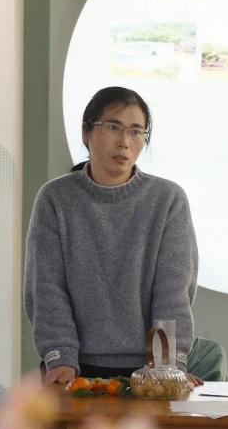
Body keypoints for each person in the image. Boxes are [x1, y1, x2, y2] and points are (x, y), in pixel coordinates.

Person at [25, 85, 198, 386]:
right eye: (113, 127)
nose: (124, 142)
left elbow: (173, 293)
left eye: (136, 132)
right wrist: (61, 358)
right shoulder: (55, 198)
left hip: (150, 372)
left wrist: (168, 366)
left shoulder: (168, 199)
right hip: (74, 370)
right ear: (87, 132)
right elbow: (47, 289)